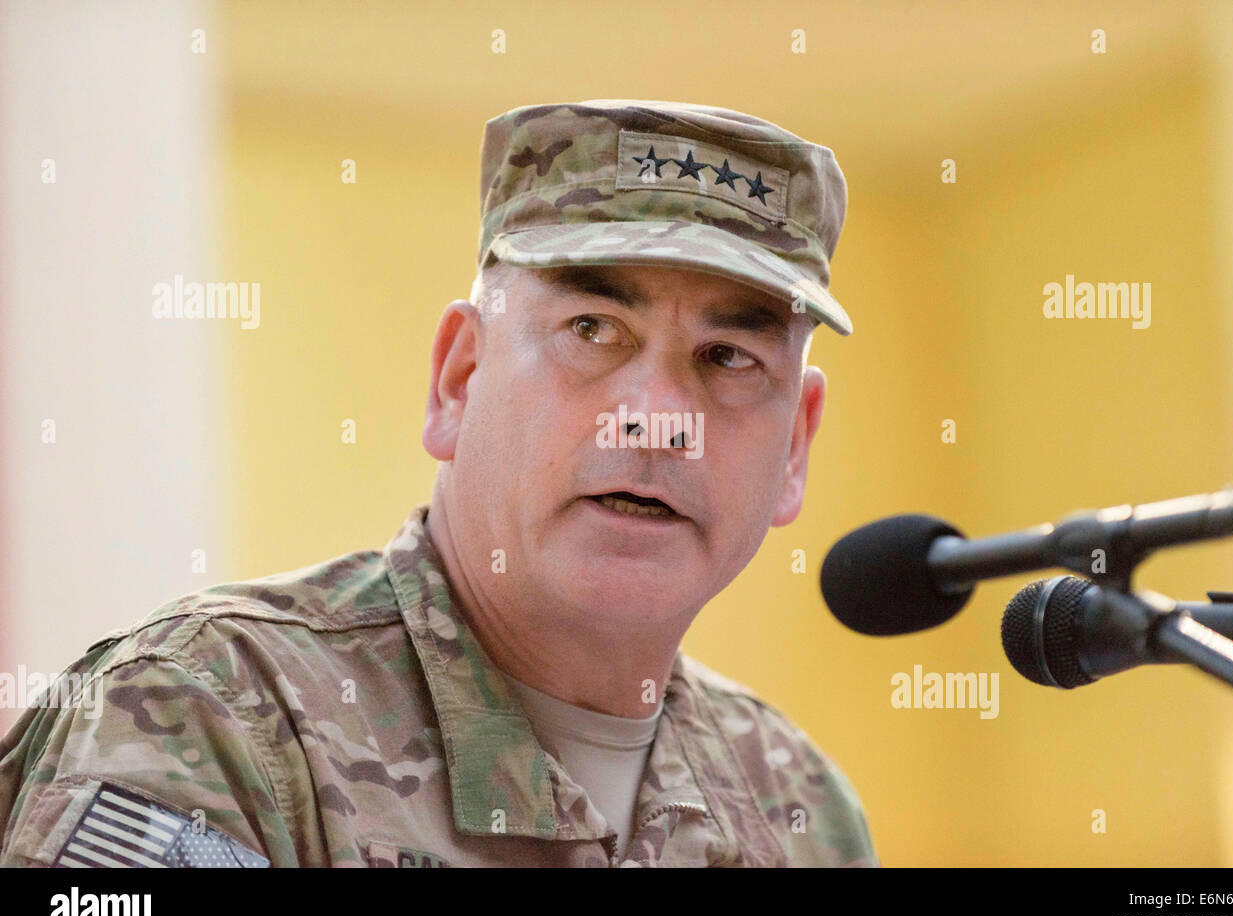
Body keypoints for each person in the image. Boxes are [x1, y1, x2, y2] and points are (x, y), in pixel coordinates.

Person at [0, 99, 878, 867]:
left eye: (728, 357)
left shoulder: (801, 809)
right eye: (592, 327)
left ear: (795, 446)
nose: (654, 416)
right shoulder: (213, 716)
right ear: (459, 379)